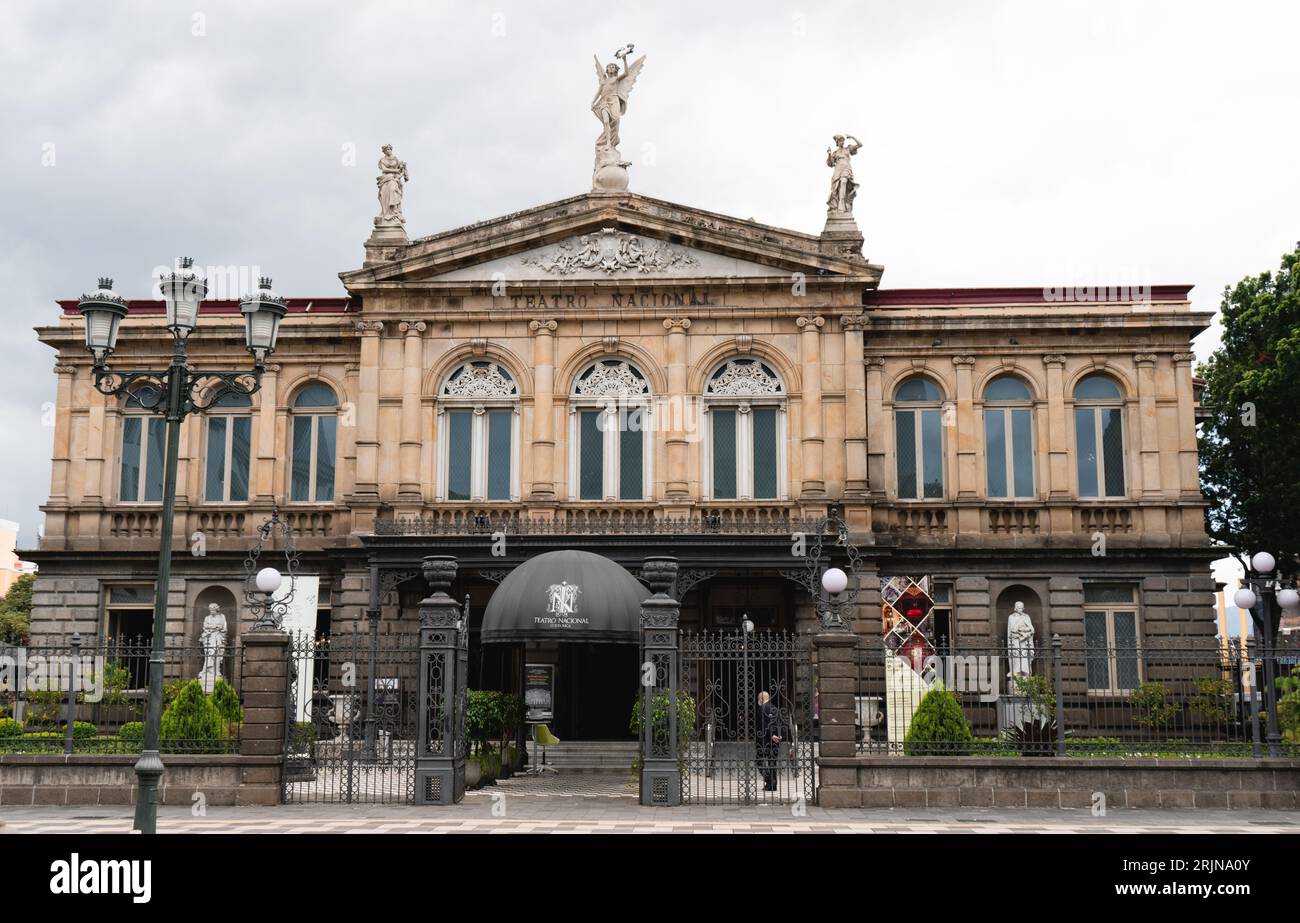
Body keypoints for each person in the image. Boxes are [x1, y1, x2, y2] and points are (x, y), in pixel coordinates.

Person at [756, 690, 785, 792]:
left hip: (765, 740)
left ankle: (769, 781)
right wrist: (779, 735)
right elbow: (780, 723)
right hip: (776, 741)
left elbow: (764, 724)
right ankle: (773, 785)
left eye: (758, 699)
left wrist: (772, 735)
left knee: (759, 762)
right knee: (772, 762)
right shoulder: (775, 708)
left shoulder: (762, 708)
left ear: (761, 699)